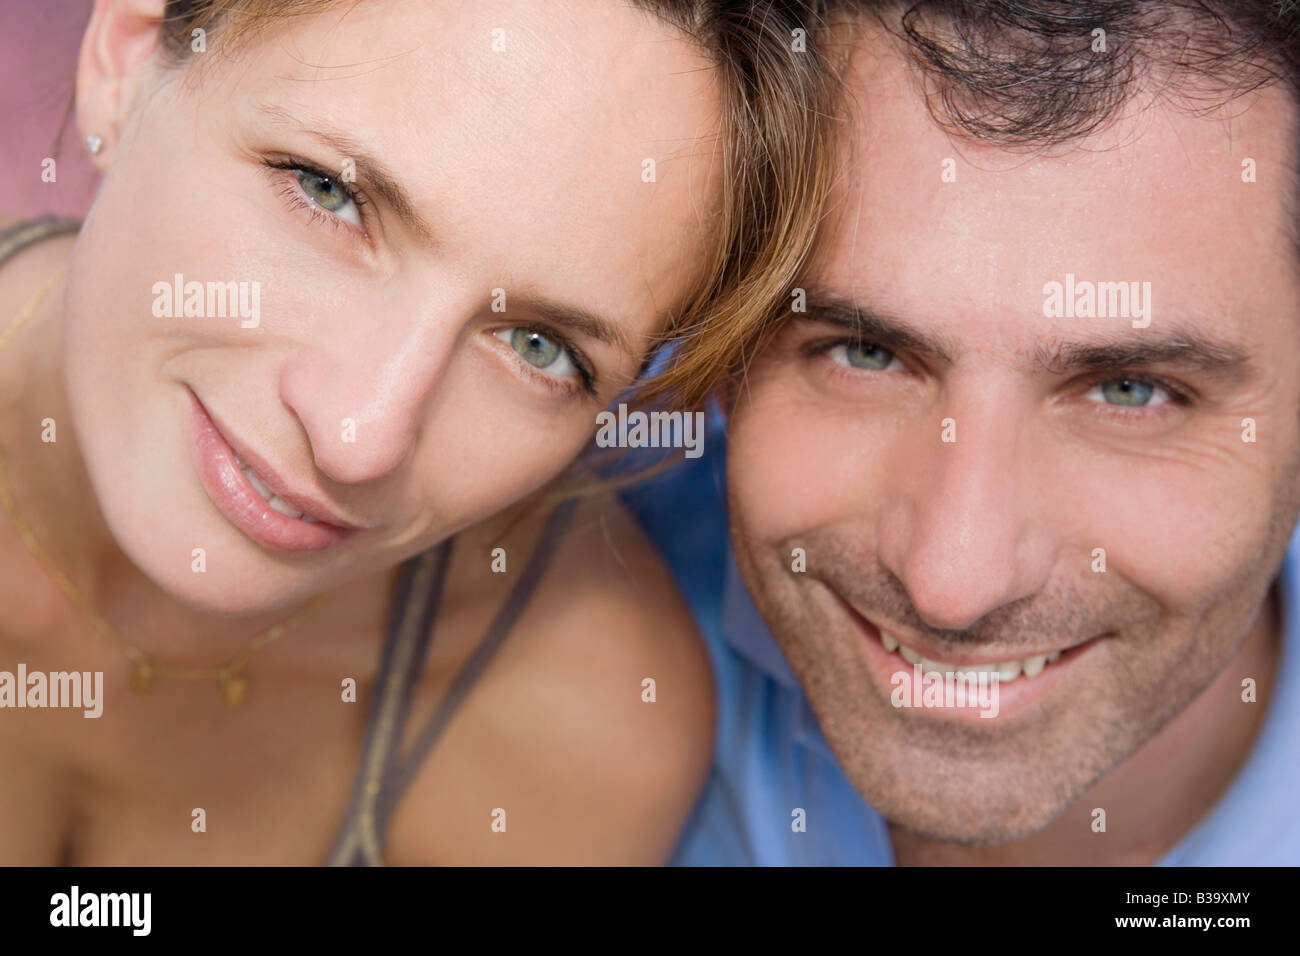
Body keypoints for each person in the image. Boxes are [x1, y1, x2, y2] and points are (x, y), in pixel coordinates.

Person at [0, 0, 831, 864]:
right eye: (329, 194)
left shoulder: (571, 734)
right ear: (126, 59)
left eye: (538, 349)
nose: (359, 438)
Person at [641, 0, 1300, 865]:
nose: (952, 586)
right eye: (866, 353)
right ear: (718, 348)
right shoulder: (528, 568)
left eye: (1132, 389)